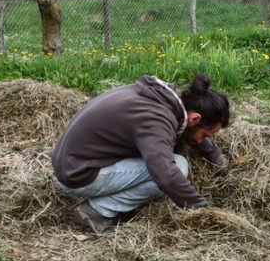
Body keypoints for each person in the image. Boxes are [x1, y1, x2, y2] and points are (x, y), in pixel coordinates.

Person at [51, 73, 231, 234]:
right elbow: (165, 175)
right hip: (78, 174)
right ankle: (97, 211)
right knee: (178, 167)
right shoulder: (156, 119)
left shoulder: (163, 97)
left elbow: (189, 131)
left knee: (165, 160)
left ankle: (114, 204)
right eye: (206, 135)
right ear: (195, 118)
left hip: (72, 162)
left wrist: (214, 155)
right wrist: (203, 210)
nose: (201, 141)